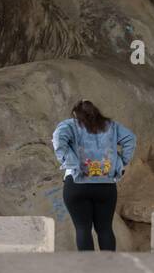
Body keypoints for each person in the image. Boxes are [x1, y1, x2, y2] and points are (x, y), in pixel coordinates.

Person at [53, 99, 137, 251]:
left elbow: (58, 139)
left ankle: (90, 271)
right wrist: (121, 161)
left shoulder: (70, 124)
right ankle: (109, 269)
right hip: (105, 184)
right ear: (96, 112)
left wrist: (70, 161)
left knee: (82, 229)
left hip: (76, 183)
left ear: (75, 113)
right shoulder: (111, 126)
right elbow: (130, 138)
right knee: (105, 229)